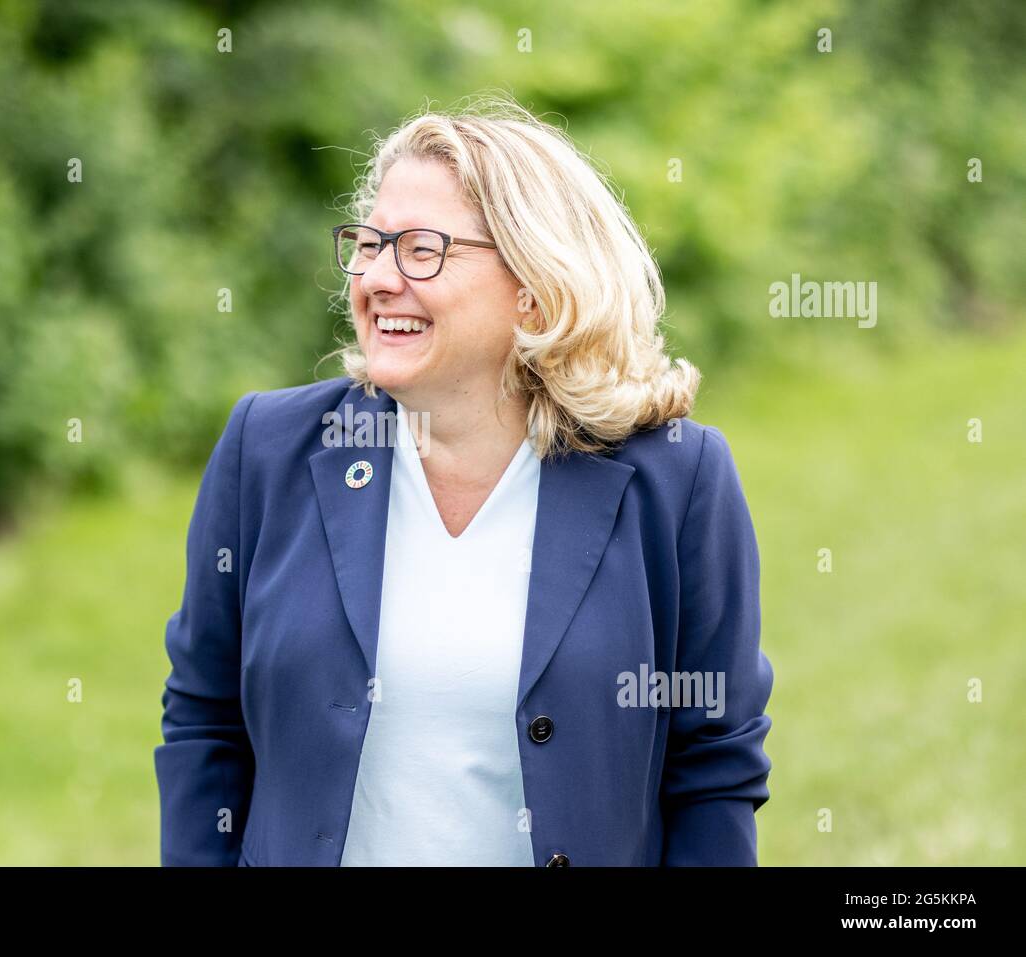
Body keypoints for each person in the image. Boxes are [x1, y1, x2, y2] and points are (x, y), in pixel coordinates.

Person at [153, 94, 773, 866]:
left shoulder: (677, 479)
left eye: (420, 249)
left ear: (535, 284)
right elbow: (204, 722)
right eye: (370, 244)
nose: (377, 277)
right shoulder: (266, 449)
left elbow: (711, 765)